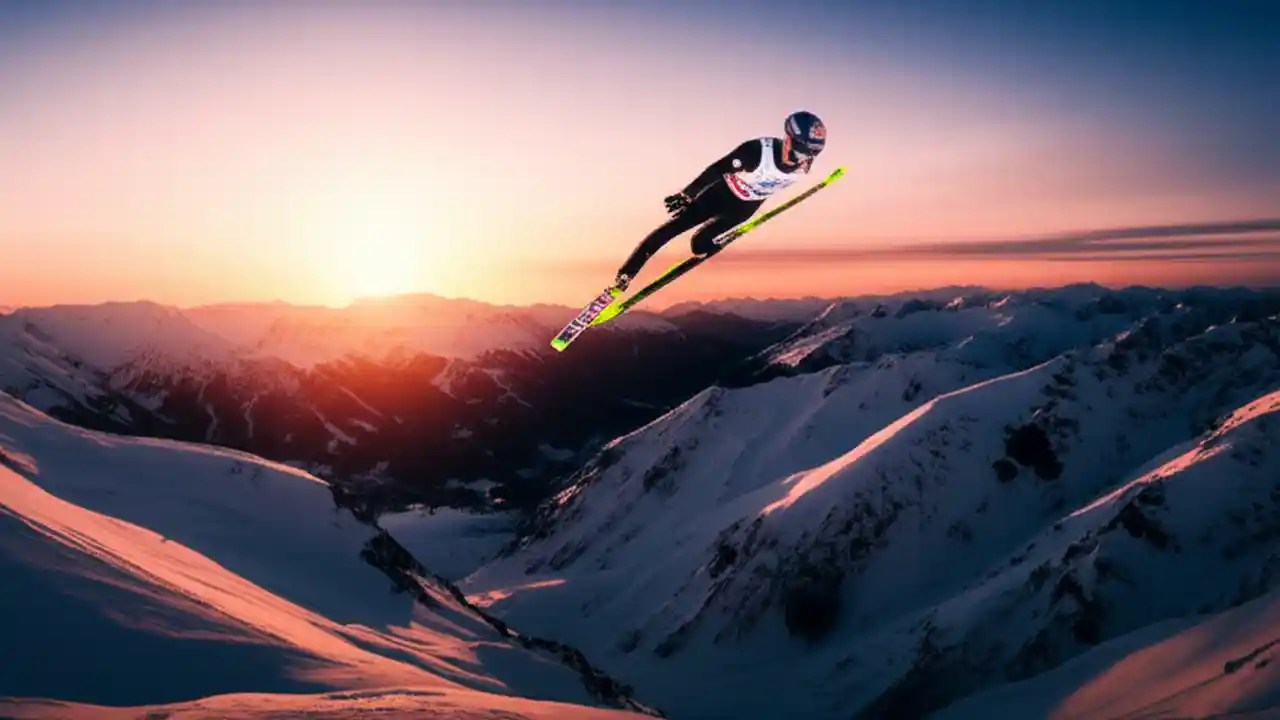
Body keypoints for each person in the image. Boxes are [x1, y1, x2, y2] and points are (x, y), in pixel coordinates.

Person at [610, 110, 826, 293]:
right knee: (672, 229)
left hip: (744, 209)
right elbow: (718, 168)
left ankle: (705, 244)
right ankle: (625, 275)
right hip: (718, 195)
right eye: (800, 153)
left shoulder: (803, 166)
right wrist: (688, 194)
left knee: (700, 245)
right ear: (788, 139)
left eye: (810, 156)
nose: (802, 161)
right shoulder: (757, 151)